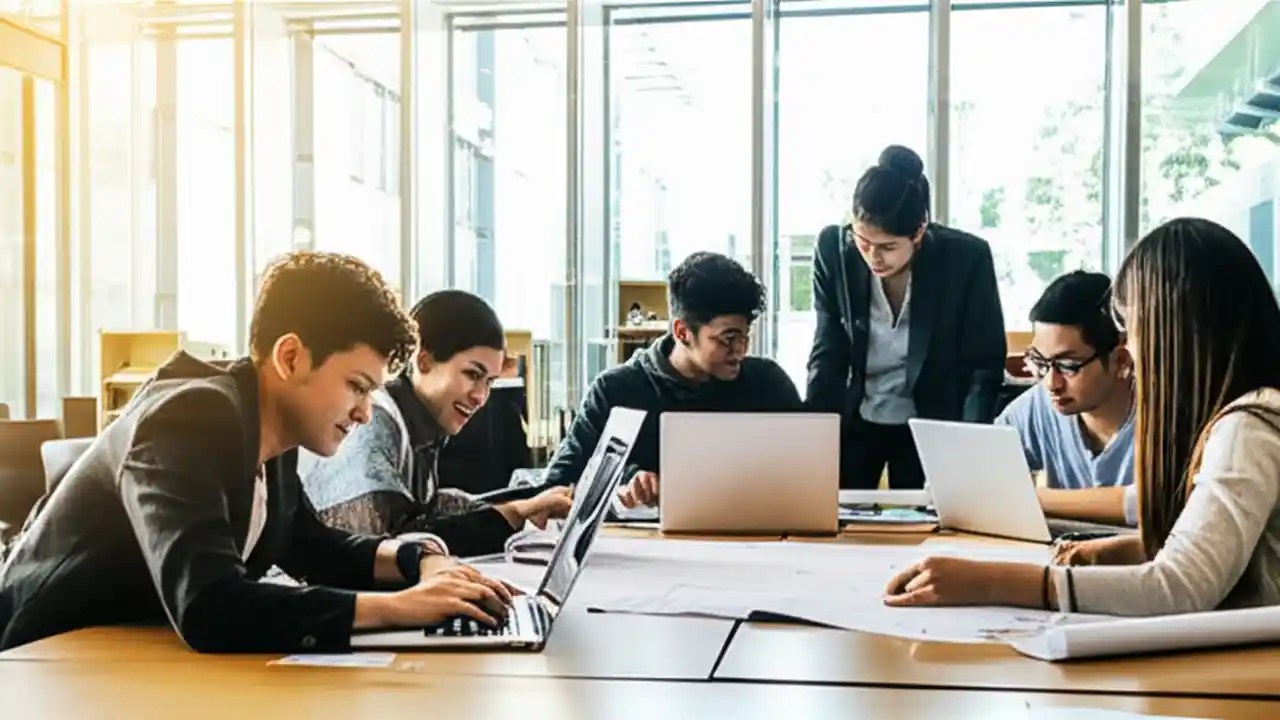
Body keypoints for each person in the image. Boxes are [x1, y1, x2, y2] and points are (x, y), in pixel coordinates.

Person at [0, 252, 514, 653]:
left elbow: (312, 547)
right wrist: (401, 609)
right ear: (290, 356)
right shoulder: (192, 416)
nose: (363, 412)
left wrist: (419, 563)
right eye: (356, 386)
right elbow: (208, 604)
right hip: (41, 664)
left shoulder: (268, 428)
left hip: (120, 662)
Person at [884, 217, 1280, 617]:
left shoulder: (1247, 427)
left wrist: (986, 581)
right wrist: (1127, 549)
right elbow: (1219, 549)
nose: (1132, 351)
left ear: (1174, 330)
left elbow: (1179, 587)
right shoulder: (1236, 418)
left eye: (1132, 327)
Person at [302, 290, 573, 558]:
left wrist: (524, 508)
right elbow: (385, 540)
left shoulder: (421, 425)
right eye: (472, 374)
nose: (480, 397)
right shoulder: (374, 422)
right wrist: (512, 513)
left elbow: (427, 512)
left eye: (489, 381)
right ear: (424, 360)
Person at [807, 145, 1006, 489]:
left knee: (924, 527)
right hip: (860, 415)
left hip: (934, 418)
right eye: (863, 242)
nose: (873, 257)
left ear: (918, 234)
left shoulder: (965, 259)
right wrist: (811, 436)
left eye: (887, 247)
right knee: (838, 521)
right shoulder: (834, 251)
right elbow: (828, 351)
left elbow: (982, 365)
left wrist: (970, 448)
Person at [542, 252, 801, 508]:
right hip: (642, 544)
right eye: (728, 339)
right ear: (682, 332)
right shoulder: (615, 391)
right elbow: (556, 487)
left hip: (760, 538)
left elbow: (807, 468)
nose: (740, 350)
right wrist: (623, 481)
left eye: (745, 337)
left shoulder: (768, 384)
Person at [996, 271, 1137, 526]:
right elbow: (980, 480)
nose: (1051, 383)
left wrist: (1037, 499)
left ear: (1120, 361)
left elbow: (1148, 504)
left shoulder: (1167, 412)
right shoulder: (1036, 406)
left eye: (1069, 365)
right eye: (1040, 361)